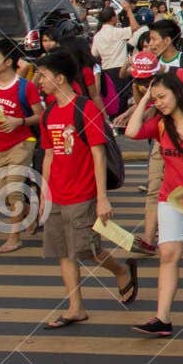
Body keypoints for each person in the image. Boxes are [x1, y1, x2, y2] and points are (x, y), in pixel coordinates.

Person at [35, 50, 131, 329]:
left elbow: (98, 154)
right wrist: (44, 192)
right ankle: (76, 307)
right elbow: (49, 155)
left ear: (60, 78)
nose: (39, 81)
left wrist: (102, 198)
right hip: (57, 194)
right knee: (63, 252)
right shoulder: (49, 113)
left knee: (88, 250)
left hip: (83, 193)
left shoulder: (85, 108)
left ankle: (121, 269)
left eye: (43, 76)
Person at [124, 70, 183, 338]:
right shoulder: (161, 125)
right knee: (168, 255)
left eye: (163, 97)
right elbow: (130, 131)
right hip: (170, 197)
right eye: (156, 99)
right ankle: (162, 317)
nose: (160, 103)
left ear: (178, 93)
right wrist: (146, 101)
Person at [0, 38, 43, 254]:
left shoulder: (26, 87)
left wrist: (19, 121)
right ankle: (29, 210)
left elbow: (40, 116)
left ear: (9, 61)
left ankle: (14, 237)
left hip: (22, 143)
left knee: (13, 190)